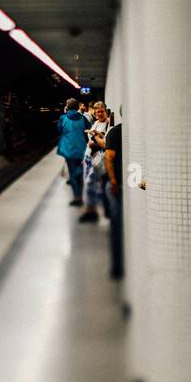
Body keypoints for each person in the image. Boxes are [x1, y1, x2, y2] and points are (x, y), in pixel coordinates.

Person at [79, 101, 110, 222]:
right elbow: (91, 140)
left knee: (90, 183)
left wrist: (95, 138)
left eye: (101, 111)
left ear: (105, 111)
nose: (99, 114)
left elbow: (104, 143)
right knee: (91, 183)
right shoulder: (96, 123)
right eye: (97, 112)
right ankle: (92, 209)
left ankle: (91, 210)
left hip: (99, 157)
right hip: (90, 157)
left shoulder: (108, 124)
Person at [56, 98, 89, 205]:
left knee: (72, 173)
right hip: (81, 149)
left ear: (67, 107)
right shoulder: (83, 118)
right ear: (77, 107)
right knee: (80, 170)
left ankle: (77, 197)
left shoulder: (63, 118)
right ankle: (79, 176)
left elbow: (59, 130)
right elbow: (89, 128)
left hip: (68, 149)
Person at [104, 111, 124, 277]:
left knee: (119, 226)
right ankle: (117, 266)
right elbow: (109, 158)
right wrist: (114, 181)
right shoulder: (116, 132)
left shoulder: (118, 132)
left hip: (121, 185)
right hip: (115, 186)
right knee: (117, 227)